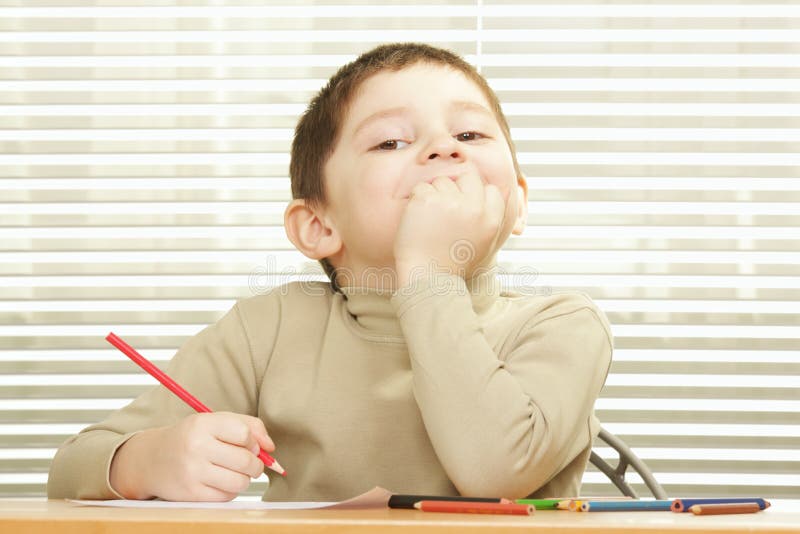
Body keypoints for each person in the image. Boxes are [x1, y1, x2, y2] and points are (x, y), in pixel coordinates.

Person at [47, 42, 613, 502]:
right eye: (391, 141)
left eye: (469, 135)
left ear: (517, 202)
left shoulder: (563, 326)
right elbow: (70, 470)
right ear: (318, 226)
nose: (444, 150)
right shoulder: (270, 330)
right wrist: (148, 461)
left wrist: (429, 274)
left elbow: (494, 472)